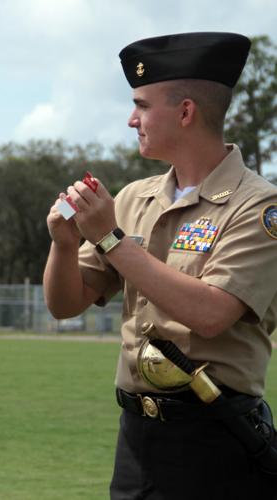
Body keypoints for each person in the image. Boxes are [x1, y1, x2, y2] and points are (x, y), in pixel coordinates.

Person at [43, 32, 277, 498]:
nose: (132, 119)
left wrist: (110, 238)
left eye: (142, 105)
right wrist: (64, 245)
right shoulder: (135, 197)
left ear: (186, 112)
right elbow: (65, 305)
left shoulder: (259, 207)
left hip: (215, 440)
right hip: (137, 436)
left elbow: (212, 314)